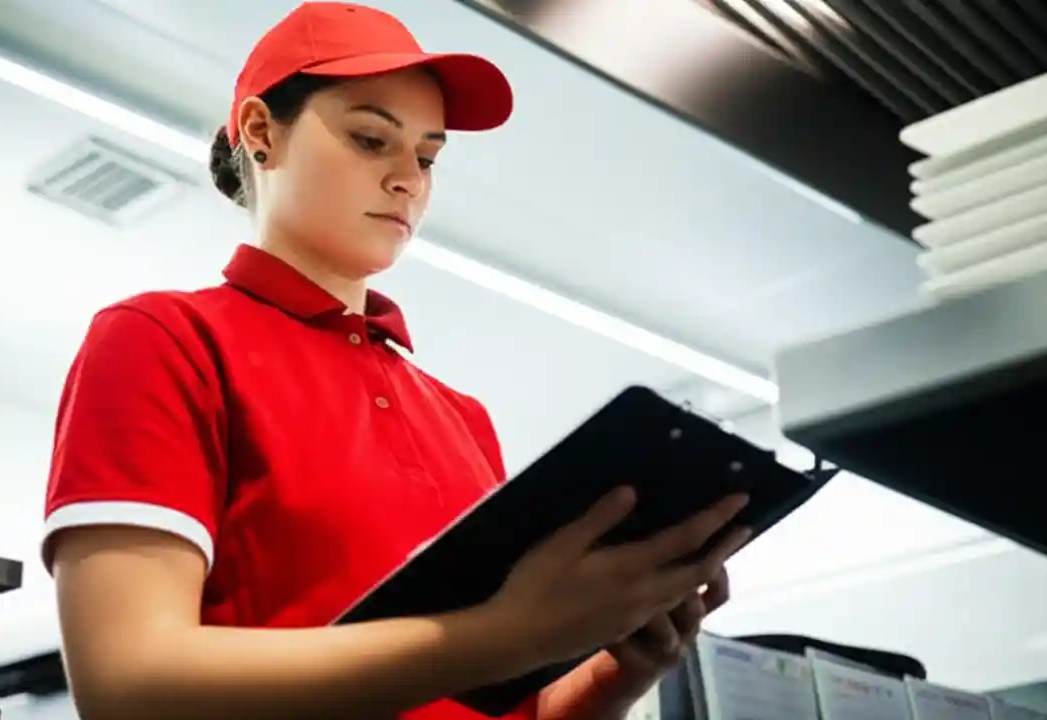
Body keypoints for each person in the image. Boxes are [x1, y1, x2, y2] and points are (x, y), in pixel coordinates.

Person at [41, 3, 751, 720]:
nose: (409, 179)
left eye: (428, 155)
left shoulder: (463, 418)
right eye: (371, 138)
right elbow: (128, 683)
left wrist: (610, 670)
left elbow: (496, 704)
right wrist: (504, 635)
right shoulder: (166, 338)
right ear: (260, 133)